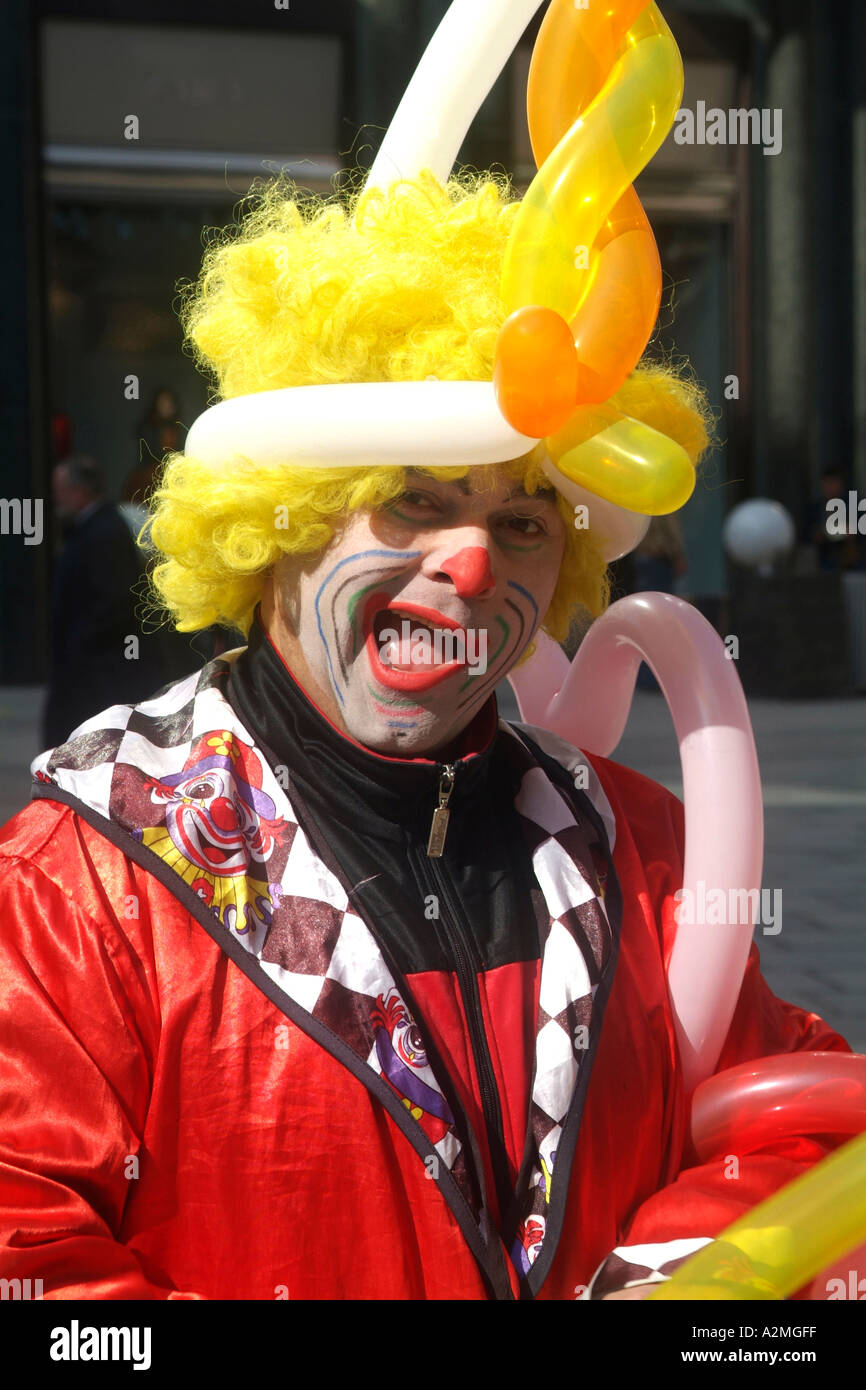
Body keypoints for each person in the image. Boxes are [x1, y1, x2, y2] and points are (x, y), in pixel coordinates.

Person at [0, 1, 851, 1302]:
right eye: (410, 500)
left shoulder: (642, 848)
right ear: (275, 523)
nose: (469, 562)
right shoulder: (80, 883)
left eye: (519, 520)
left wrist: (682, 1275)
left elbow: (794, 1123)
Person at [41, 455, 166, 747]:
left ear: (79, 491)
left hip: (98, 672)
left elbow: (114, 601)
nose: (57, 498)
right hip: (89, 666)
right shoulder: (90, 527)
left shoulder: (103, 531)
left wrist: (80, 642)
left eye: (60, 490)